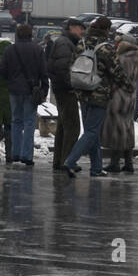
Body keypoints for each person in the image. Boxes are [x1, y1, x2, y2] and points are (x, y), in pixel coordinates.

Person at [62, 16, 124, 178]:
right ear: (106, 30)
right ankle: (71, 160)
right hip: (99, 94)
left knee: (92, 131)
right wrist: (128, 86)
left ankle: (96, 168)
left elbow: (73, 64)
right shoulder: (106, 48)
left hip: (82, 91)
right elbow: (117, 72)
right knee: (91, 131)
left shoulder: (81, 43)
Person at [1, 23, 47, 165]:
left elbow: (2, 70)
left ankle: (15, 153)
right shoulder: (38, 49)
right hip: (31, 91)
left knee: (16, 120)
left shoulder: (10, 50)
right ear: (30, 35)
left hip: (14, 91)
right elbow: (43, 72)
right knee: (29, 122)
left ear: (17, 34)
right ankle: (27, 155)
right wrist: (44, 89)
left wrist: (11, 81)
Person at [48, 18, 83, 171]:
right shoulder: (64, 44)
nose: (82, 32)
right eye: (80, 29)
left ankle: (60, 161)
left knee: (64, 127)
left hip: (62, 89)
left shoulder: (65, 42)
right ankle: (67, 161)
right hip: (66, 90)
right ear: (72, 28)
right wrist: (71, 86)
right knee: (73, 126)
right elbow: (62, 69)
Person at [102, 36, 138, 173]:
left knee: (118, 129)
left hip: (119, 97)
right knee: (127, 127)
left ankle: (115, 163)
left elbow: (117, 78)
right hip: (130, 97)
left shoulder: (121, 60)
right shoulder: (135, 59)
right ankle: (129, 163)